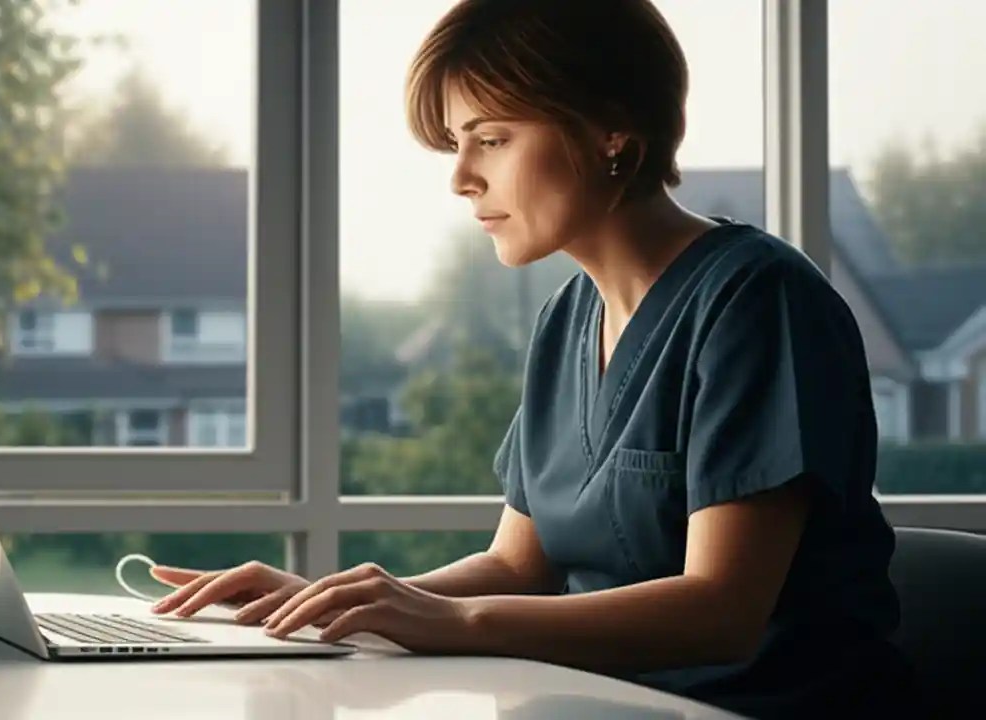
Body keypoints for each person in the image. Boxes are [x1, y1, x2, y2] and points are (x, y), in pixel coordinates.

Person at [149, 1, 923, 716]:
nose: (461, 178)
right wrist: (328, 602)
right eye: (456, 145)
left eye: (492, 139)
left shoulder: (758, 300)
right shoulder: (567, 319)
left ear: (610, 130)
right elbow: (518, 568)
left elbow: (719, 612)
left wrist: (452, 619)